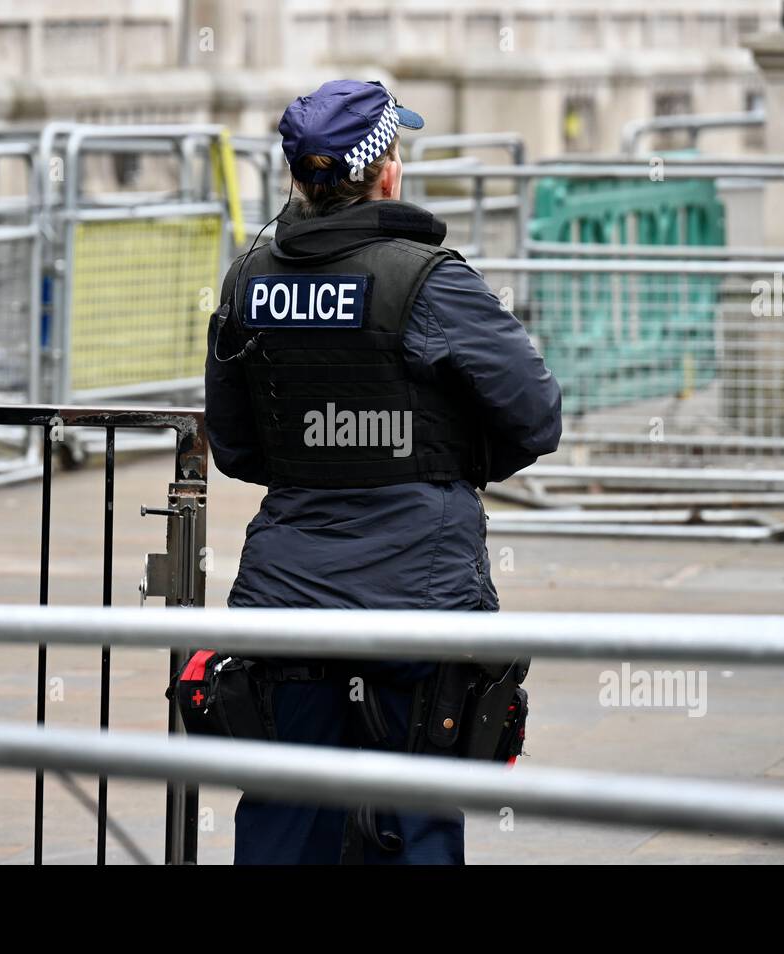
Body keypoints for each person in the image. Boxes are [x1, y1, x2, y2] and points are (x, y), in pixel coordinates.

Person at [202, 79, 562, 864]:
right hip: (417, 601)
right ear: (388, 170)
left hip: (287, 597)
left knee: (285, 819)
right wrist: (451, 460)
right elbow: (536, 417)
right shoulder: (429, 279)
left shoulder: (246, 282)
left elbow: (234, 448)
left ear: (296, 178)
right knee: (416, 821)